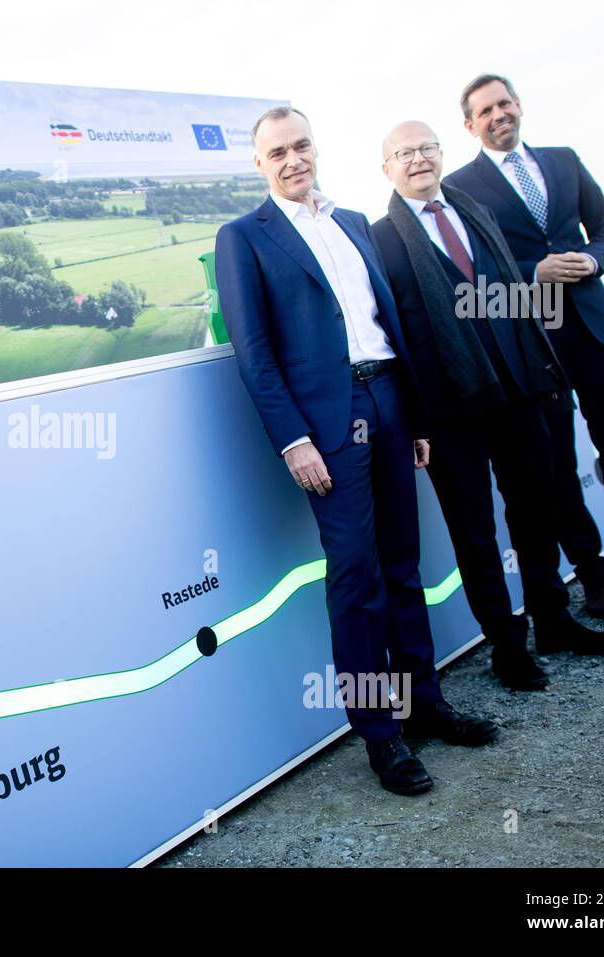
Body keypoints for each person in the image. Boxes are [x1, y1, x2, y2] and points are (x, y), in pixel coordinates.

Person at [214, 106, 497, 797]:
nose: (292, 159)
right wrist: (292, 437)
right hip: (327, 424)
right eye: (276, 151)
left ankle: (424, 701)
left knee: (405, 565)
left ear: (316, 148)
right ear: (260, 164)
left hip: (392, 402)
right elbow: (255, 354)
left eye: (301, 145)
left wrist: (418, 416)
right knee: (357, 579)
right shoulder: (243, 238)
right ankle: (379, 733)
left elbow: (388, 323)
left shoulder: (352, 223)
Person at [370, 121, 604, 691]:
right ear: (385, 169)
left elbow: (510, 296)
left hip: (515, 390)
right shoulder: (380, 239)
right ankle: (507, 648)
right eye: (403, 153)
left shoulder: (474, 214)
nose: (417, 160)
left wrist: (540, 367)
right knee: (475, 534)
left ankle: (554, 621)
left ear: (441, 154)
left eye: (426, 148)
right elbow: (392, 335)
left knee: (536, 511)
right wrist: (412, 418)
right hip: (446, 411)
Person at [444, 74, 604, 616]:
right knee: (557, 465)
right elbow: (476, 273)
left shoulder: (563, 160)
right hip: (533, 341)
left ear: (519, 105)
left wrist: (596, 258)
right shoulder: (461, 188)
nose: (498, 115)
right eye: (484, 111)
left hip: (592, 326)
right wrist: (535, 272)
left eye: (504, 103)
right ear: (470, 125)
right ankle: (594, 578)